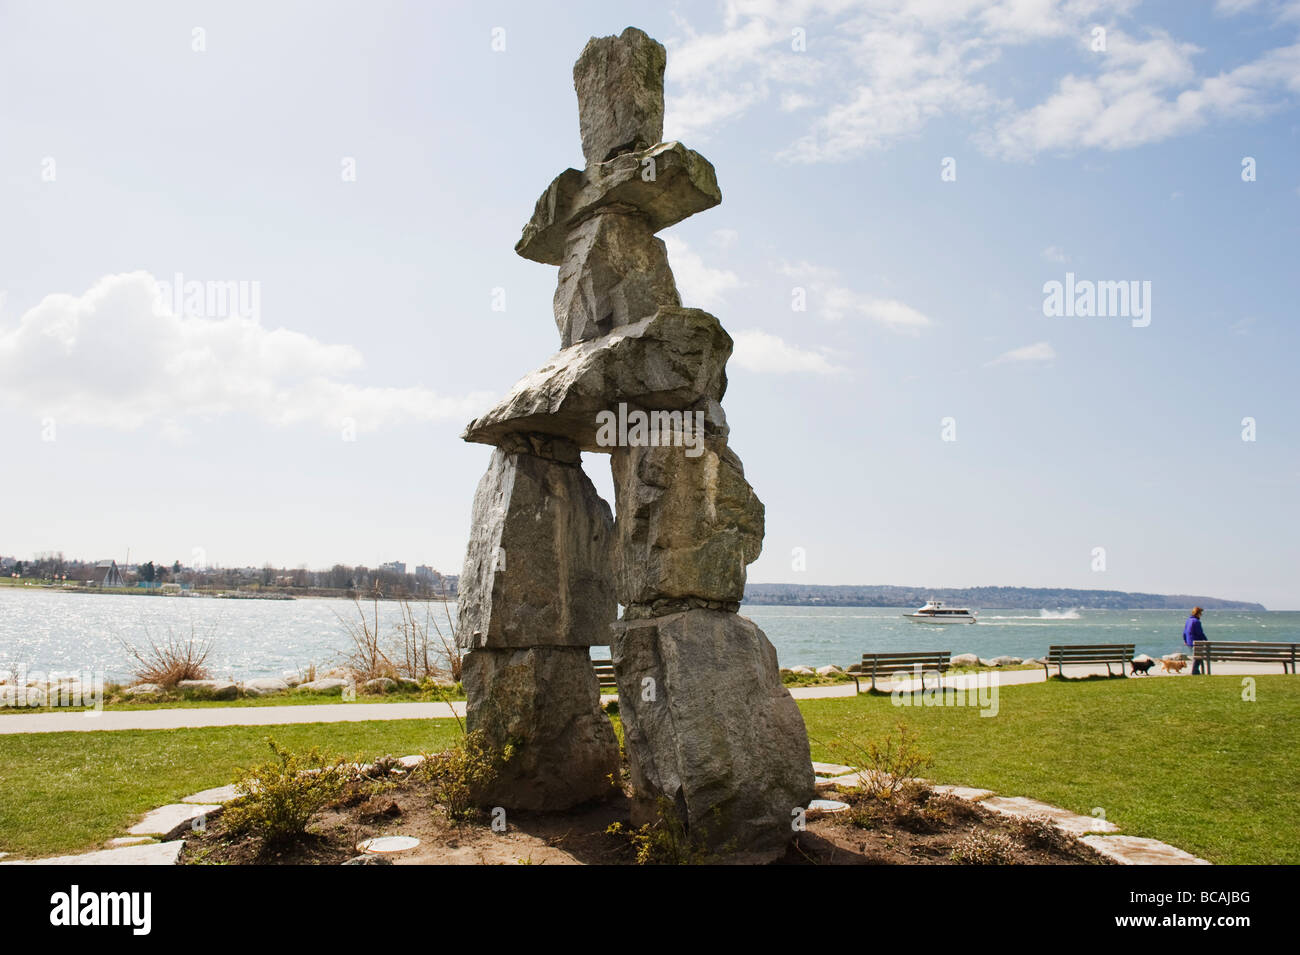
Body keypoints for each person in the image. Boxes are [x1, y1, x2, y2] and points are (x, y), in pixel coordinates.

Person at [1184, 607, 1207, 674]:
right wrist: (1205, 640)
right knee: (1198, 658)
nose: (1201, 615)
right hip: (1196, 642)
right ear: (1197, 613)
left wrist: (1185, 640)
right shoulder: (1196, 622)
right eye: (1200, 613)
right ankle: (1195, 671)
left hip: (1189, 642)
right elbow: (1200, 633)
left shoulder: (1188, 621)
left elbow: (1184, 632)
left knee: (1197, 657)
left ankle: (1196, 671)